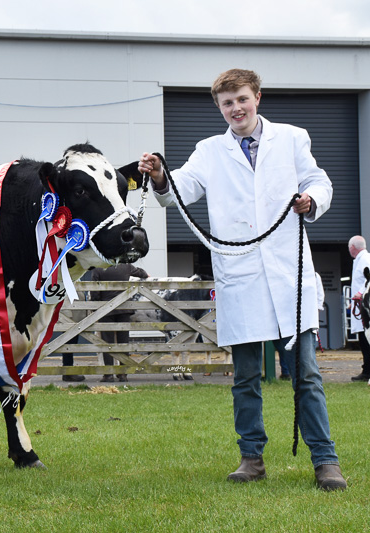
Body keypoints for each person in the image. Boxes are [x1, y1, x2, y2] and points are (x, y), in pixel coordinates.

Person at [138, 68, 346, 491]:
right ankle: (251, 458)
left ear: (257, 98)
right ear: (220, 108)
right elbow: (181, 189)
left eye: (242, 99)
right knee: (246, 378)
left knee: (306, 375)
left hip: (288, 276)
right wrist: (159, 174)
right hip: (241, 277)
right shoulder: (209, 150)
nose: (236, 108)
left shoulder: (292, 138)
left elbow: (318, 180)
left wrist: (312, 199)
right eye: (227, 103)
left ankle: (326, 461)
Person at [91, 263, 149, 382]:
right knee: (123, 342)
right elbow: (141, 273)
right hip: (124, 309)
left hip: (106, 310)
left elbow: (94, 292)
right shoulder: (126, 266)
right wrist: (146, 275)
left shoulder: (98, 268)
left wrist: (96, 307)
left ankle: (108, 374)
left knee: (107, 342)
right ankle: (123, 374)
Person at [348, 236, 370, 381]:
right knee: (363, 338)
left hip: (366, 306)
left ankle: (367, 371)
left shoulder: (366, 259)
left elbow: (369, 279)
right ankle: (366, 369)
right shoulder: (360, 260)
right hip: (361, 305)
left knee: (366, 339)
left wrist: (360, 294)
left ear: (352, 247)